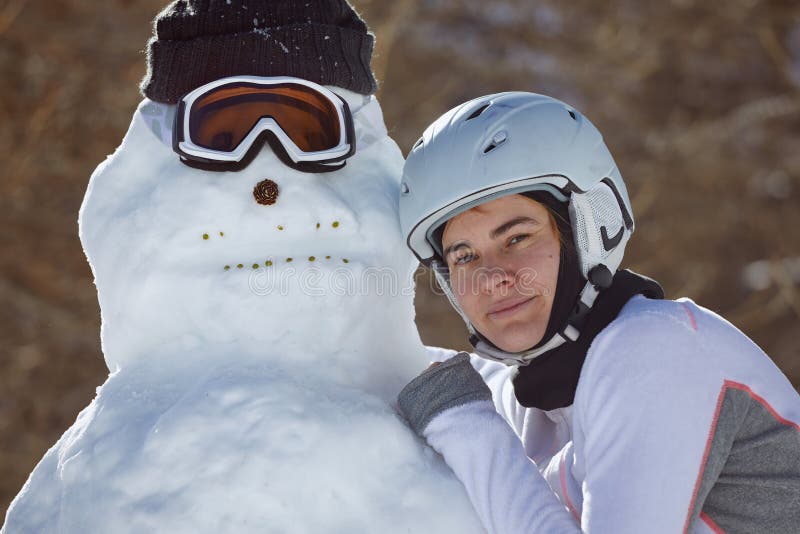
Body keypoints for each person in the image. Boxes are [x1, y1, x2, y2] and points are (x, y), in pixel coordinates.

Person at [396, 92, 800, 533]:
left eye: (516, 239)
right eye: (464, 256)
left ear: (590, 229)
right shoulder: (535, 398)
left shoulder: (656, 351)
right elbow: (408, 367)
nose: (492, 277)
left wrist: (469, 429)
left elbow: (460, 406)